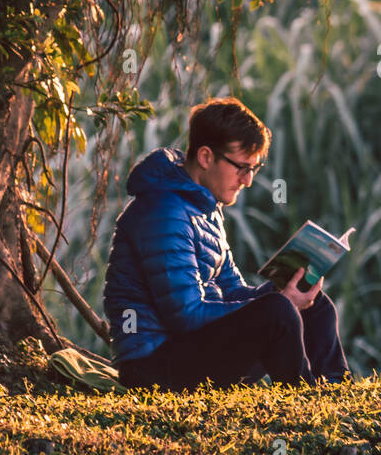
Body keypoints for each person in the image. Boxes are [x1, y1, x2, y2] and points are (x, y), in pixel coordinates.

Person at [103, 96, 351, 390]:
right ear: (206, 157)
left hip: (191, 349)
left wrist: (284, 287)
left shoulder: (206, 209)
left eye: (253, 169)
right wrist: (279, 304)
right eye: (241, 168)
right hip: (153, 367)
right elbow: (185, 315)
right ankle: (307, 401)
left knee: (314, 304)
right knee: (278, 311)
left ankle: (336, 394)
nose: (247, 180)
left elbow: (232, 291)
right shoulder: (163, 212)